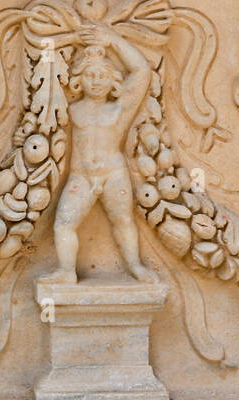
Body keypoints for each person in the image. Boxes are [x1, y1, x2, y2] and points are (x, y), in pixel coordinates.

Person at [40, 26, 157, 284]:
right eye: (90, 76)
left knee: (123, 220)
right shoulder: (72, 110)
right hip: (81, 177)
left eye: (102, 76)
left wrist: (113, 40)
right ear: (80, 80)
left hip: (113, 175)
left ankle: (135, 266)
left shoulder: (119, 109)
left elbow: (141, 71)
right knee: (63, 223)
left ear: (113, 80)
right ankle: (66, 271)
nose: (96, 81)